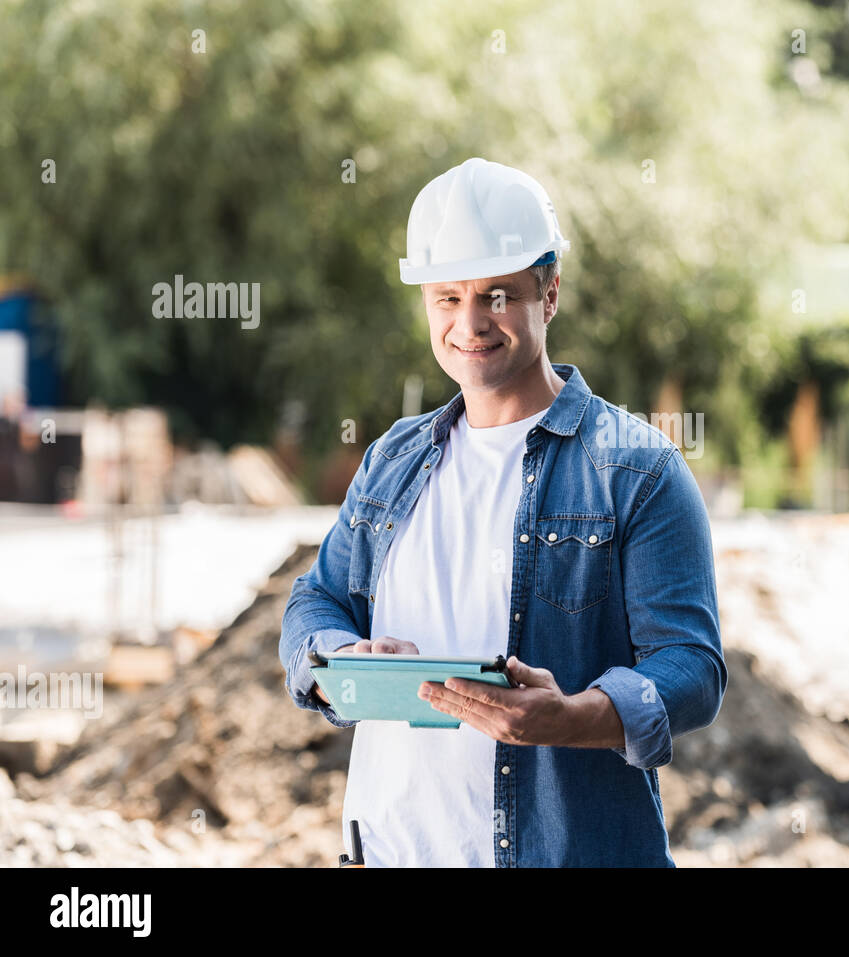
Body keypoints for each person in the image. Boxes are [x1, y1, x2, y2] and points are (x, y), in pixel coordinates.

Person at [278, 157, 727, 867]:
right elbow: (318, 597)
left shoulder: (637, 471)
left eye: (497, 295)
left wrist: (577, 718)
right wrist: (336, 653)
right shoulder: (394, 459)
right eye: (447, 297)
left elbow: (693, 668)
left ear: (549, 294)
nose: (469, 322)